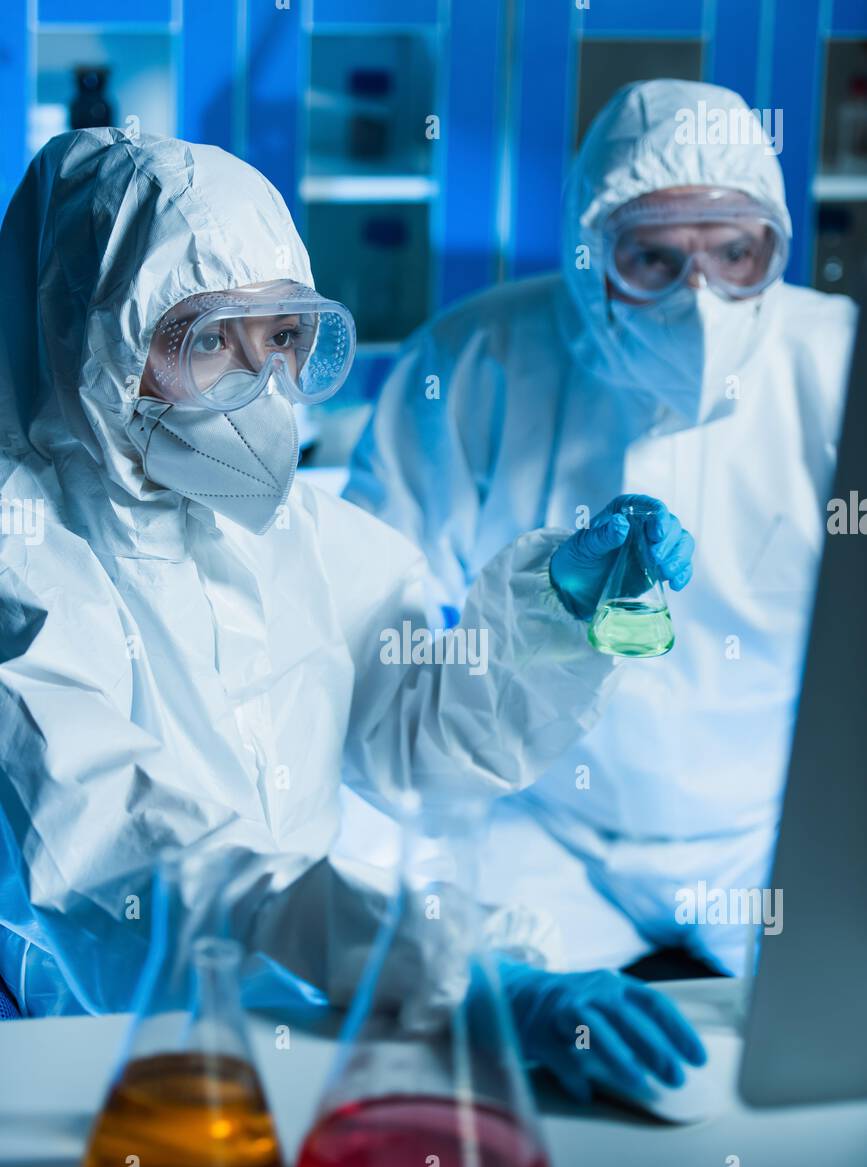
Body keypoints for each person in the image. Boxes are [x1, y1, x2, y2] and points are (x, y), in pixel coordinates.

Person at [0, 128, 705, 1101]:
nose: (266, 390)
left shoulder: (293, 529)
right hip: (92, 1050)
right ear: (91, 339)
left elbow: (419, 731)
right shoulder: (21, 555)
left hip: (321, 1001)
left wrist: (559, 611)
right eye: (210, 340)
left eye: (283, 338)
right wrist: (455, 975)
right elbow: (127, 852)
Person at [346, 79, 858, 979]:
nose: (697, 298)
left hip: (769, 835)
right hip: (536, 831)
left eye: (736, 252)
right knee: (437, 1004)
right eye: (652, 260)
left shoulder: (837, 363)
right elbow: (375, 636)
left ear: (775, 246)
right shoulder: (474, 361)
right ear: (591, 257)